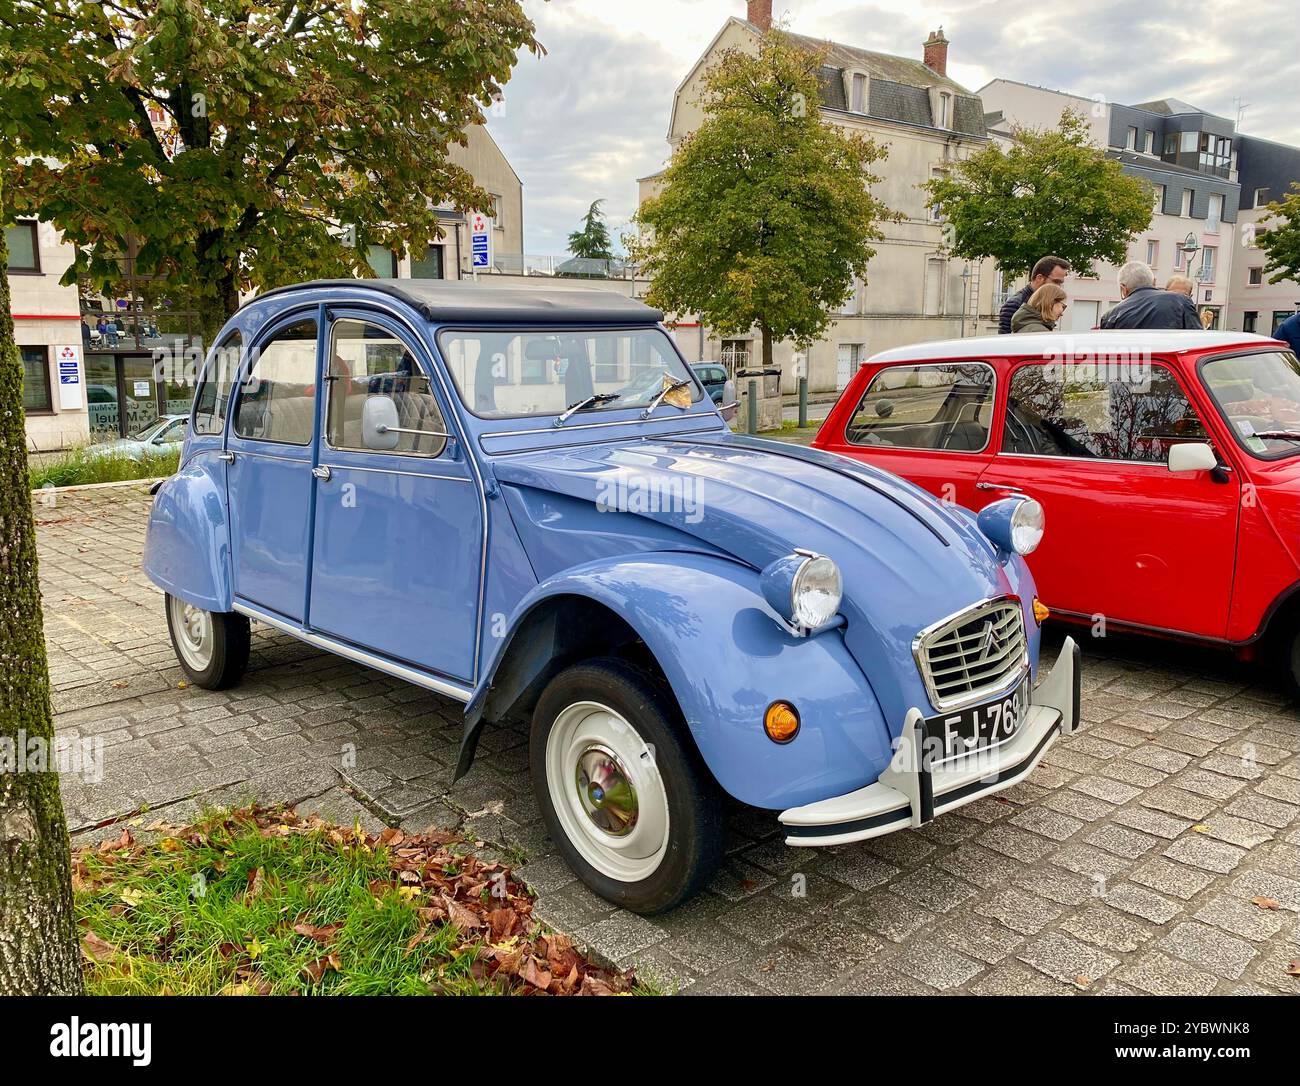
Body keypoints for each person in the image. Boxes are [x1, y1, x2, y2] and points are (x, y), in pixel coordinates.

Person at [1099, 262, 1200, 329]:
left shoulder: (1109, 317)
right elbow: (1198, 342)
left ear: (1123, 289)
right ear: (1154, 282)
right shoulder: (1182, 302)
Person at [998, 256, 1071, 334]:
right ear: (1039, 278)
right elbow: (1005, 342)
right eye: (1056, 282)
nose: (1059, 287)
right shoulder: (1014, 304)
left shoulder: (1044, 302)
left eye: (1061, 283)